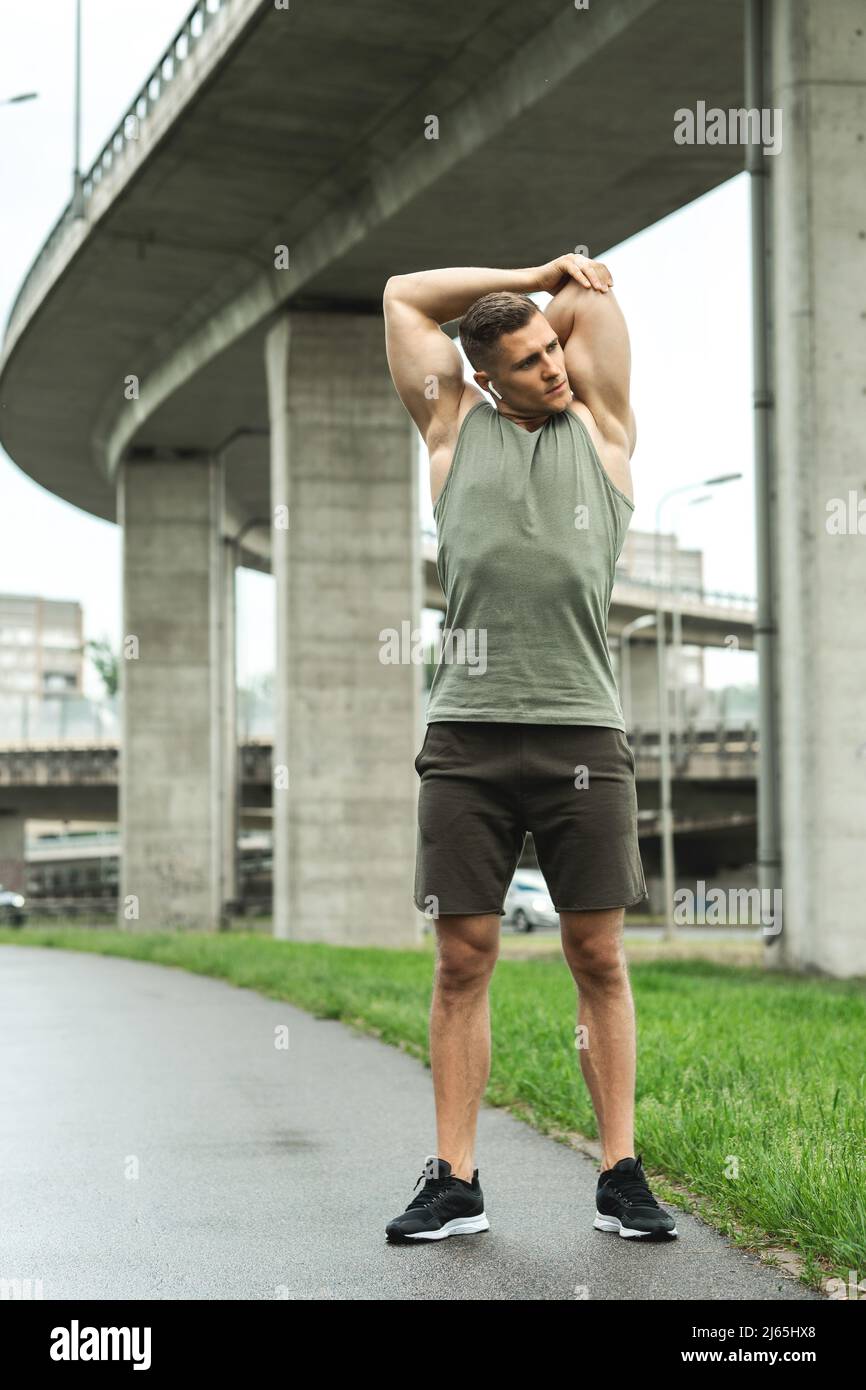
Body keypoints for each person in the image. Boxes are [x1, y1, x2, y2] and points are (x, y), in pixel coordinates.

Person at [381, 253, 677, 1243]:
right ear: (484, 377)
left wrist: (554, 287)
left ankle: (619, 1173)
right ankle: (454, 1180)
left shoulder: (600, 430)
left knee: (596, 951)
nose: (552, 367)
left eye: (551, 351)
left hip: (583, 732)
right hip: (464, 735)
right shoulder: (449, 428)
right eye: (527, 361)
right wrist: (527, 270)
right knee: (461, 958)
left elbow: (593, 304)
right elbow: (401, 297)